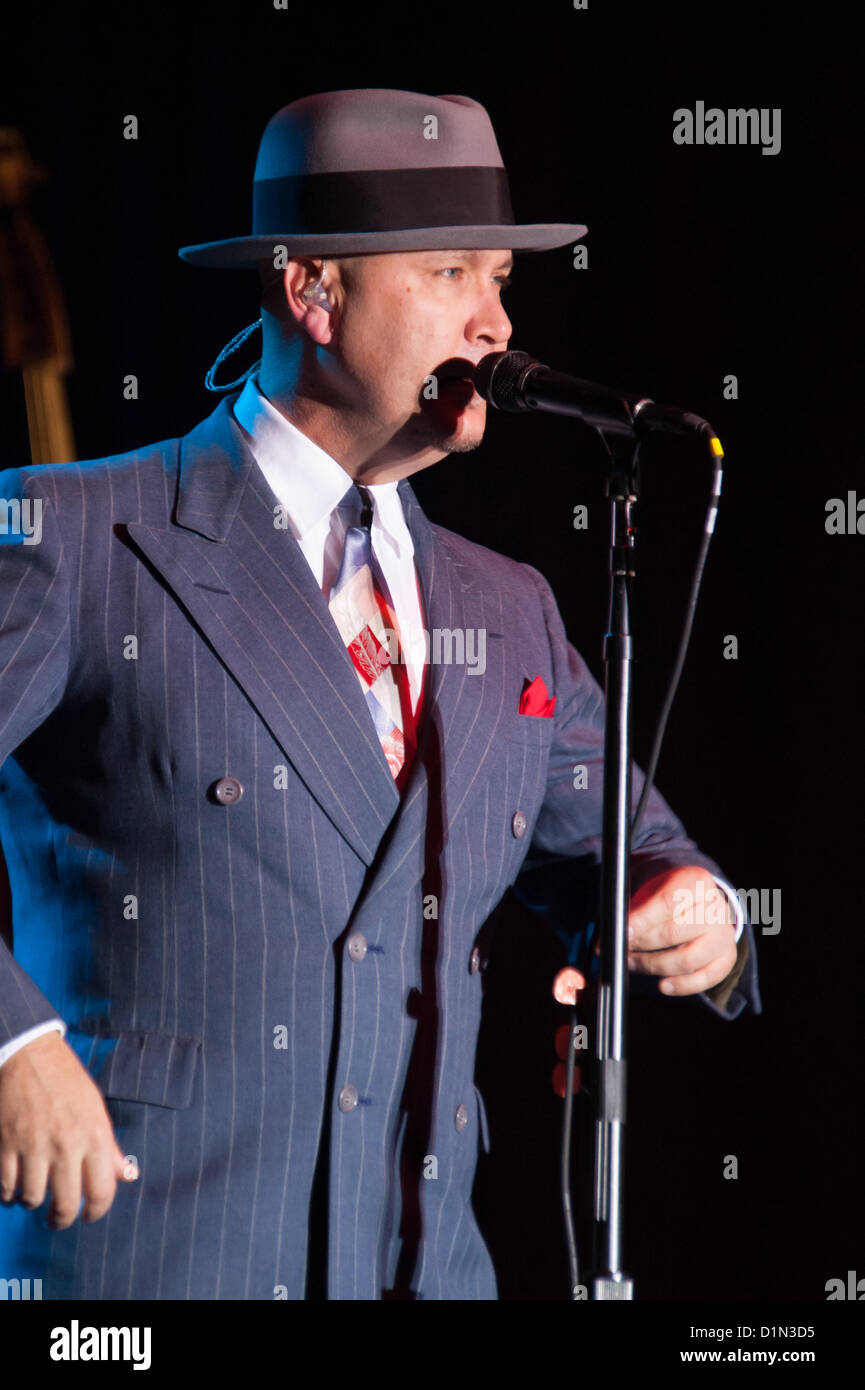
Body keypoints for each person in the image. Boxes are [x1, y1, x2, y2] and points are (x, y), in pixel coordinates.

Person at [0, 89, 759, 1301]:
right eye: (452, 271)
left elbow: (640, 846)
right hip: (154, 1266)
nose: (495, 319)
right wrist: (14, 1041)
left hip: (422, 1268)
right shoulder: (82, 531)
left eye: (500, 279)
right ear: (313, 291)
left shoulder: (507, 607)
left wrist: (696, 908)